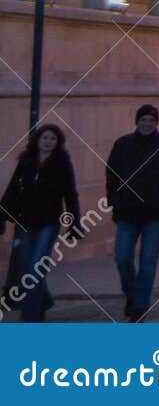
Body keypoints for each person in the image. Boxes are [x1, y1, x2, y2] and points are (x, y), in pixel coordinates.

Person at [106, 104, 159, 322]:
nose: (147, 124)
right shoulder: (122, 144)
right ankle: (132, 295)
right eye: (143, 119)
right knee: (122, 258)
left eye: (151, 120)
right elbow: (111, 173)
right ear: (137, 121)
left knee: (148, 261)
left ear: (156, 123)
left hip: (154, 214)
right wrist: (114, 200)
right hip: (127, 212)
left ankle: (140, 306)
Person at [2, 124, 81, 323]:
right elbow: (12, 188)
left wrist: (74, 223)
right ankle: (43, 300)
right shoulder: (26, 160)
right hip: (25, 221)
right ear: (38, 140)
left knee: (35, 268)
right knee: (27, 268)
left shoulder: (62, 163)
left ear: (58, 142)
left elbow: (70, 194)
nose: (48, 142)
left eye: (52, 139)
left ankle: (30, 318)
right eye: (45, 138)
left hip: (49, 222)